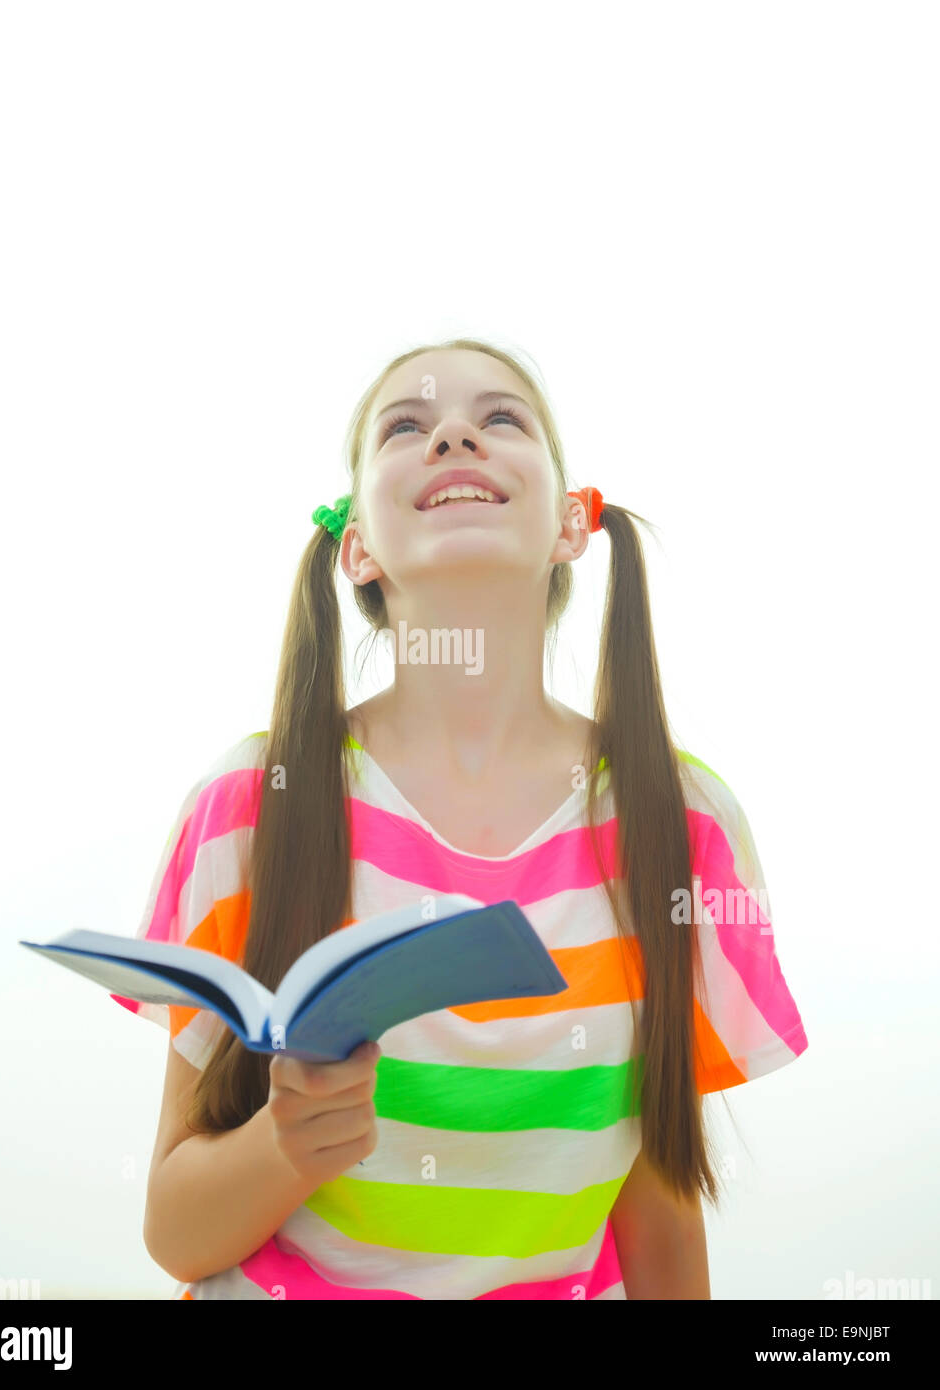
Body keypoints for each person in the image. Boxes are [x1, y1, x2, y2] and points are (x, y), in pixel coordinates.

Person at [114, 336, 809, 1300]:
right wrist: (286, 1142)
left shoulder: (680, 823)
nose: (451, 435)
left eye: (500, 419)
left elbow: (658, 1210)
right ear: (355, 544)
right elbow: (176, 1236)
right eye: (408, 427)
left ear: (571, 524)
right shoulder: (248, 809)